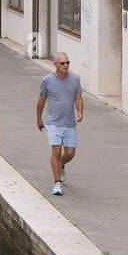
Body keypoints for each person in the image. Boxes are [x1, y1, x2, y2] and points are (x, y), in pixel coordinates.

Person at [36, 52, 83, 197]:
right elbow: (41, 100)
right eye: (63, 63)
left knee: (70, 153)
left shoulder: (75, 79)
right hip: (53, 123)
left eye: (68, 62)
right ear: (55, 64)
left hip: (69, 123)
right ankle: (57, 183)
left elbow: (78, 96)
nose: (66, 65)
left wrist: (80, 111)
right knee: (56, 151)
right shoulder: (47, 81)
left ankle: (61, 165)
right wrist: (38, 118)